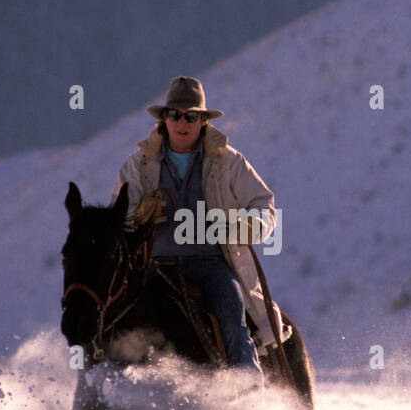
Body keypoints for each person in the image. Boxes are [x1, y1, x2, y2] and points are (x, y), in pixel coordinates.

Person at [110, 77, 285, 380]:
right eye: (175, 114)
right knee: (111, 324)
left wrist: (248, 227)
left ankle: (250, 393)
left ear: (203, 121)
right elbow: (118, 219)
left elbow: (264, 205)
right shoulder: (137, 165)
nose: (182, 122)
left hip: (211, 264)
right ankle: (99, 400)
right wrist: (137, 217)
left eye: (191, 116)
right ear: (163, 119)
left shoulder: (229, 163)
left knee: (232, 317)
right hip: (152, 267)